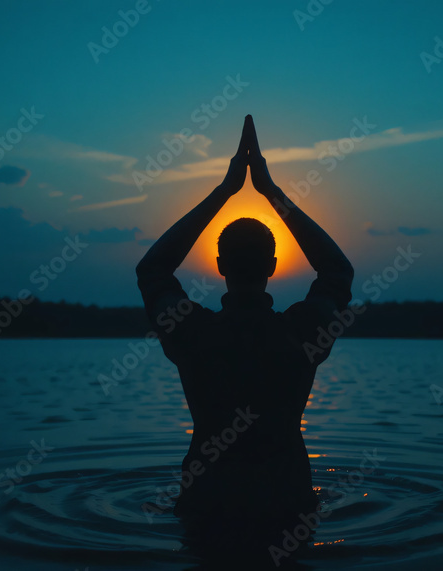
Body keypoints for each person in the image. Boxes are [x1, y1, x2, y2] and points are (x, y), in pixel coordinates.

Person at [136, 115, 354, 557]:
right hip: (288, 510)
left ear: (219, 265)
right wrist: (272, 193)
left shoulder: (194, 334)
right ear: (274, 266)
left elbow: (153, 269)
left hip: (206, 510)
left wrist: (225, 191)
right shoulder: (302, 334)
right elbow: (337, 270)